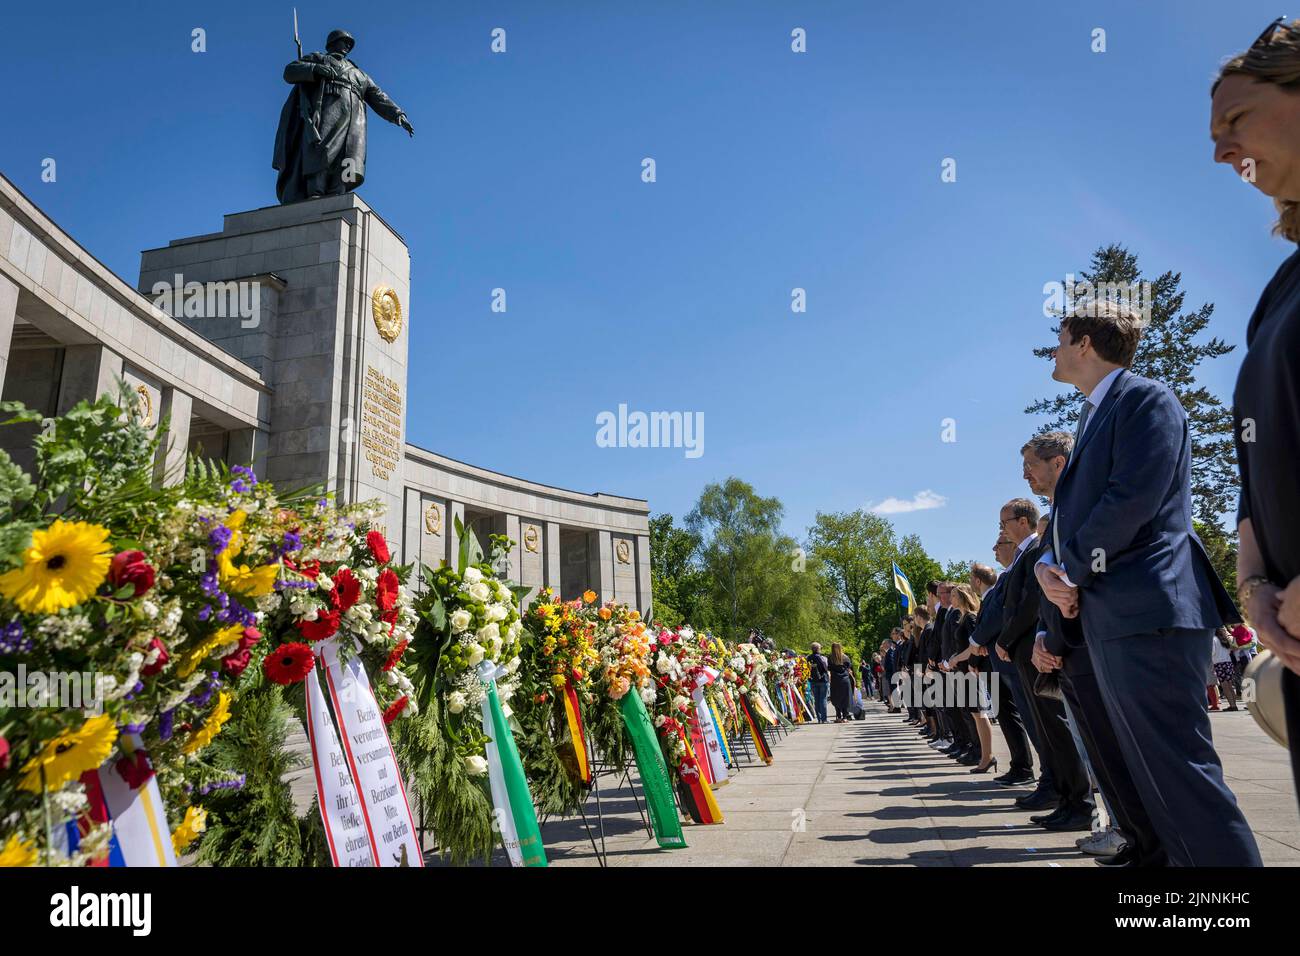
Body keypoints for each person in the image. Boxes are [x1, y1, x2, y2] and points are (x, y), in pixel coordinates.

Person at [1034, 299, 1260, 866]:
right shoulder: (1092, 415)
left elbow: (1131, 498)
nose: (1054, 349)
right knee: (1152, 780)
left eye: (1061, 337)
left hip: (1149, 609)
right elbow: (1077, 516)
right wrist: (1048, 564)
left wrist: (1070, 567)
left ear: (1085, 343)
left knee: (1182, 776)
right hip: (1115, 611)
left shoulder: (1145, 399)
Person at [1211, 20, 1300, 808]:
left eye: (1234, 121)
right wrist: (1254, 583)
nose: (1219, 153)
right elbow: (1255, 448)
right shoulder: (1281, 288)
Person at [827, 642, 857, 723]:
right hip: (844, 679)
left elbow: (828, 668)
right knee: (845, 698)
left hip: (835, 680)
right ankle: (845, 717)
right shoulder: (846, 657)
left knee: (836, 698)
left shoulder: (830, 658)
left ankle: (838, 717)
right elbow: (849, 667)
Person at [1213, 628, 1240, 711]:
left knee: (1224, 686)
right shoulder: (1225, 640)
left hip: (1219, 664)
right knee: (1230, 685)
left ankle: (1232, 705)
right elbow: (1230, 650)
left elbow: (1212, 652)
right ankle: (1234, 704)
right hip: (1228, 663)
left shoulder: (1213, 639)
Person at [807, 643, 830, 724]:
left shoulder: (808, 658)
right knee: (823, 699)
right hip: (823, 680)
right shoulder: (822, 658)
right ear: (818, 649)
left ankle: (819, 718)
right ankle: (824, 719)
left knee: (816, 699)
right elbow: (826, 669)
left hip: (813, 681)